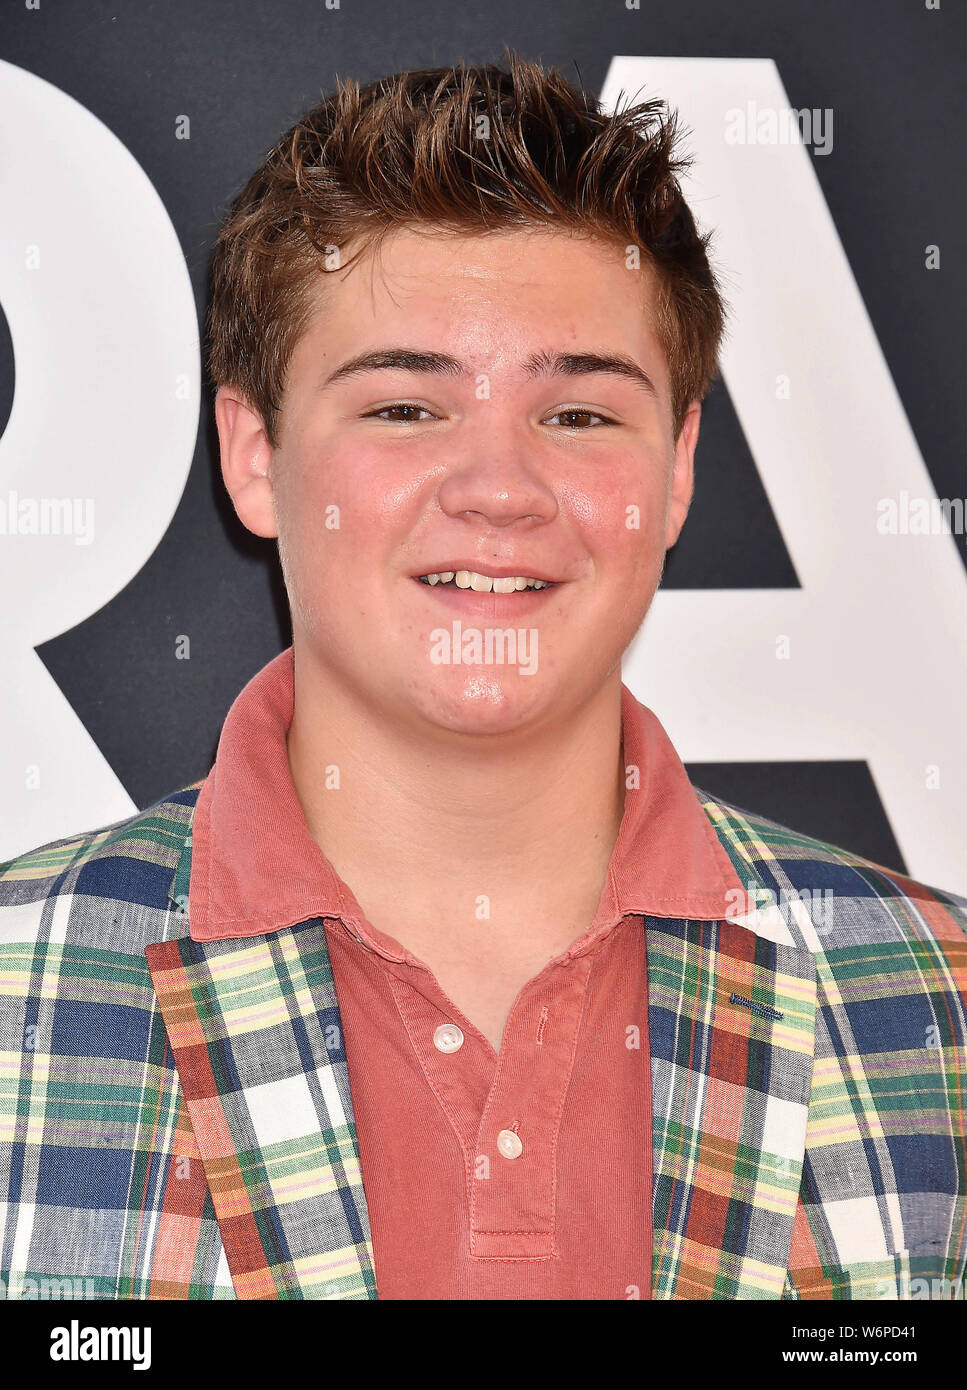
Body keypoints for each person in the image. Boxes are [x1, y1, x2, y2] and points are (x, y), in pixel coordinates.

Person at [1, 52, 965, 1303]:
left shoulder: (933, 1002)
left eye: (578, 416)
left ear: (675, 470)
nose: (499, 488)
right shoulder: (18, 990)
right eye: (405, 408)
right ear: (254, 456)